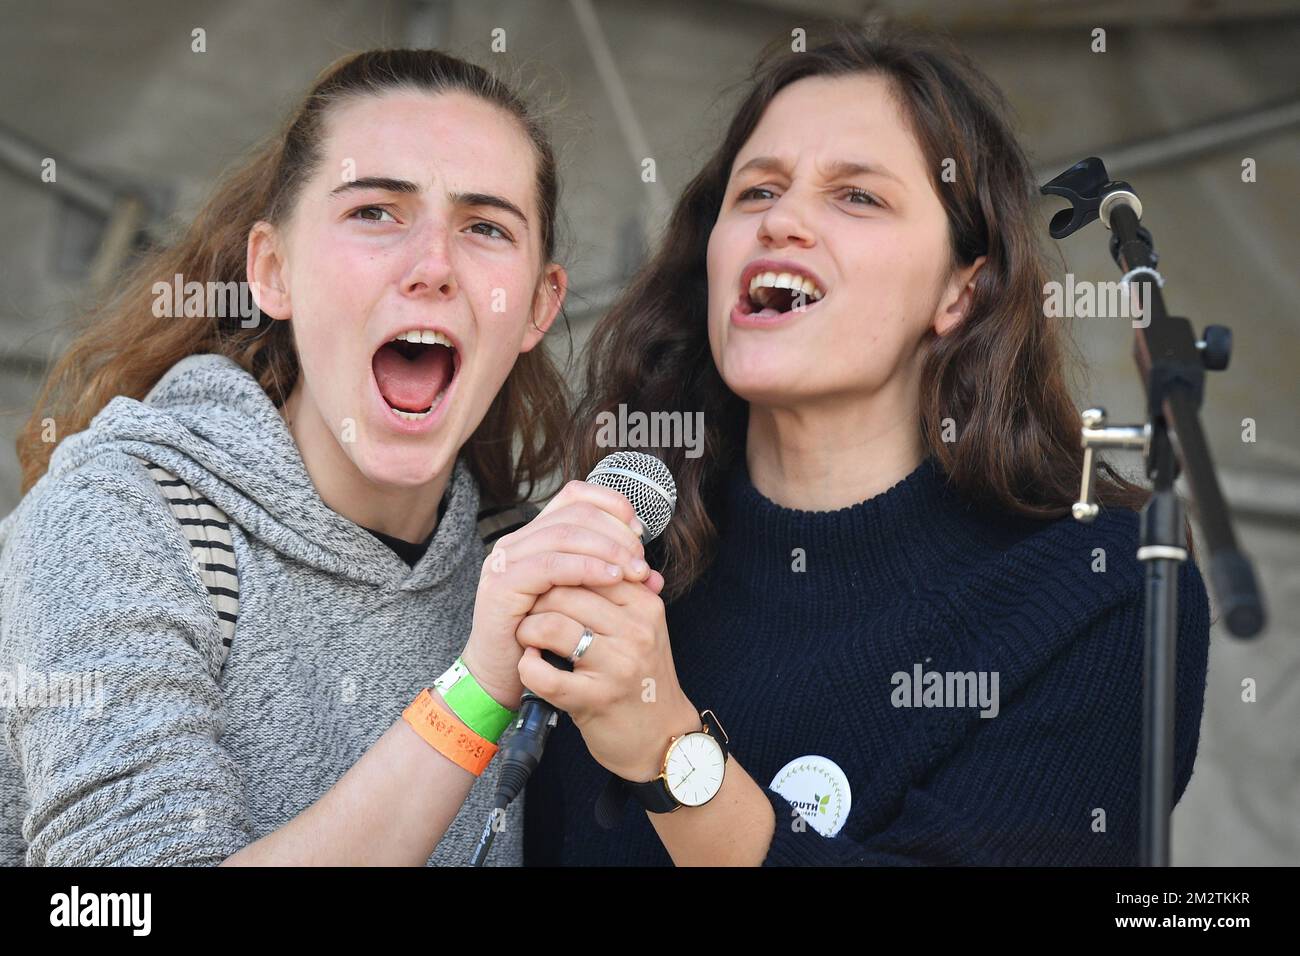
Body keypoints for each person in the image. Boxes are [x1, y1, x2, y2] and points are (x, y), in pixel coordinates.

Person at [517, 23, 1213, 866]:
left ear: (964, 290)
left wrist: (672, 754)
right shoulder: (627, 555)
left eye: (857, 197)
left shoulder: (1106, 585)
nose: (784, 223)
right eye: (756, 191)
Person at [0, 48, 658, 866]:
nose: (432, 268)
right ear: (273, 270)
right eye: (376, 212)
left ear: (538, 306)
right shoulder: (117, 516)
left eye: (485, 227)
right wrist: (478, 691)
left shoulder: (516, 565)